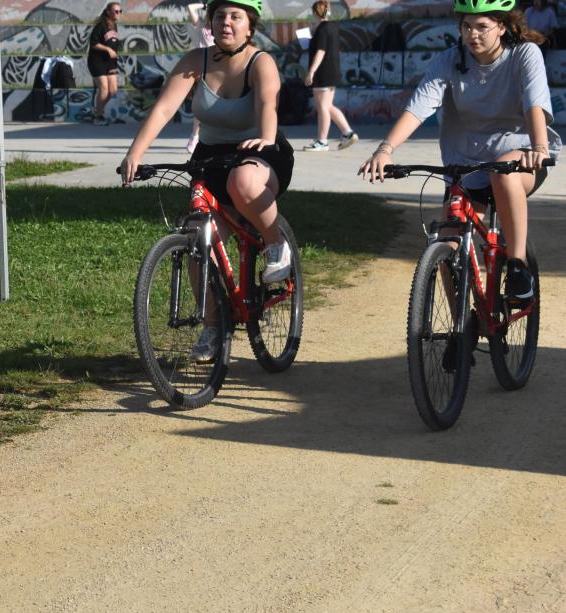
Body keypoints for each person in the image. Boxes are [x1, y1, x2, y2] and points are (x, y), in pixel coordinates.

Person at [121, 0, 295, 360]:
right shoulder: (194, 61)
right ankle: (215, 328)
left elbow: (268, 104)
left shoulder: (260, 62)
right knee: (200, 242)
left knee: (242, 183)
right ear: (210, 22)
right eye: (219, 16)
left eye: (235, 17)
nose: (226, 23)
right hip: (211, 157)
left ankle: (276, 241)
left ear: (250, 26)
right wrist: (135, 154)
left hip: (260, 149)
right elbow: (165, 109)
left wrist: (265, 135)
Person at [360, 0, 559, 304]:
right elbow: (418, 108)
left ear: (502, 27)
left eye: (482, 27)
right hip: (466, 164)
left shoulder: (524, 54)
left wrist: (539, 148)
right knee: (448, 243)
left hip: (519, 156)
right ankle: (461, 331)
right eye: (467, 26)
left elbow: (535, 103)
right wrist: (385, 149)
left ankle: (518, 267)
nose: (473, 34)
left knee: (502, 175)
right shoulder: (449, 61)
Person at [302, 0, 358, 151]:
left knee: (322, 108)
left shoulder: (322, 29)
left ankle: (322, 141)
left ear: (315, 13)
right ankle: (348, 133)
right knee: (328, 106)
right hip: (332, 71)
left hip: (322, 73)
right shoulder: (331, 27)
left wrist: (311, 71)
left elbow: (321, 51)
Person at [186, 2, 215, 153]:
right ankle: (195, 135)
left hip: (218, 69)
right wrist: (204, 4)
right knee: (201, 104)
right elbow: (190, 8)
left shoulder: (221, 28)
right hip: (202, 68)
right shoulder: (200, 26)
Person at [88, 3, 123, 125]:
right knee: (104, 89)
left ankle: (97, 110)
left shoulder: (114, 26)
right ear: (108, 12)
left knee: (112, 91)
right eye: (116, 11)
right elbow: (94, 44)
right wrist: (108, 49)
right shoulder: (100, 26)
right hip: (97, 61)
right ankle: (98, 116)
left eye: (120, 11)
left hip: (110, 62)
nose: (119, 14)